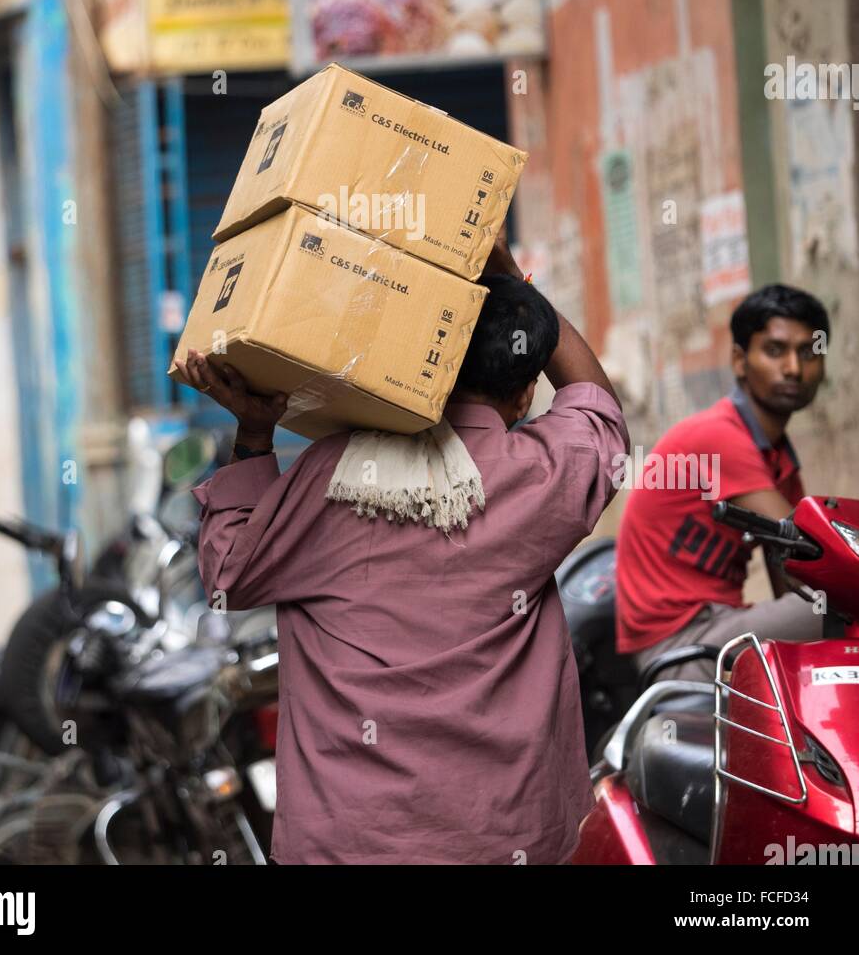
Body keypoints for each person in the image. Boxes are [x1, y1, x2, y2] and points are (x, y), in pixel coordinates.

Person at [178, 228, 628, 866]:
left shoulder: (335, 476)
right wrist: (512, 278)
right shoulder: (545, 474)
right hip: (508, 841)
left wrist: (255, 434)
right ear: (527, 391)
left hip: (351, 847)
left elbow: (228, 574)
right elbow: (598, 407)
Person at [615, 284, 829, 685]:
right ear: (739, 361)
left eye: (807, 352)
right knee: (837, 607)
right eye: (775, 350)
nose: (794, 368)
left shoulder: (777, 457)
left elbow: (797, 574)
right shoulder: (719, 436)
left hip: (720, 627)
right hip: (680, 646)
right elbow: (817, 553)